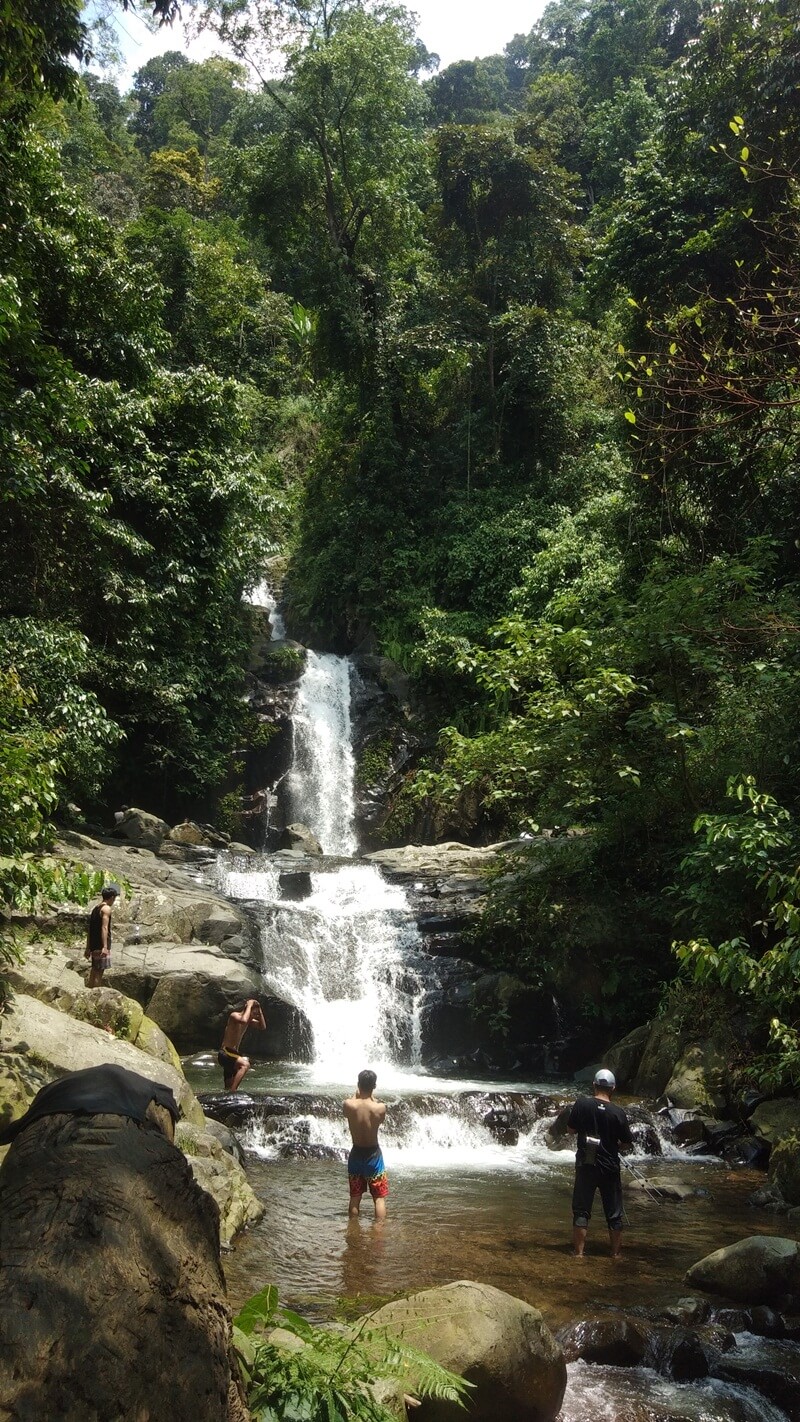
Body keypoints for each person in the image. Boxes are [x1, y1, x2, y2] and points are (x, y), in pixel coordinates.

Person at [568, 1067, 633, 1259]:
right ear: (613, 1088)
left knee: (581, 1210)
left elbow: (571, 1129)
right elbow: (627, 1142)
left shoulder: (581, 1104)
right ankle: (615, 1254)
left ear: (594, 1085)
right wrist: (615, 1147)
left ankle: (578, 1253)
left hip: (586, 1164)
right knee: (614, 1213)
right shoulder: (618, 1112)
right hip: (610, 1166)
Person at [343, 1069, 388, 1221]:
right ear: (374, 1086)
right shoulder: (380, 1108)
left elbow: (350, 1105)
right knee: (379, 1198)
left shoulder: (348, 1105)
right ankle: (379, 1232)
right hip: (373, 1155)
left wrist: (356, 1095)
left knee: (355, 1197)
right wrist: (371, 1096)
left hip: (356, 1154)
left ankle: (353, 1228)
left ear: (358, 1084)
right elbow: (377, 1113)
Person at [218, 999, 267, 1091]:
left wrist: (260, 1011)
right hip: (226, 1052)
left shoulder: (248, 1021)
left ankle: (228, 1094)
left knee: (228, 1086)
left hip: (234, 1055)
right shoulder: (234, 1016)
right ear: (247, 1010)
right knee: (245, 1065)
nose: (255, 1016)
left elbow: (262, 1026)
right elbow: (243, 1020)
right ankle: (233, 1091)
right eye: (254, 1013)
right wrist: (249, 1005)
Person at [84, 885, 119, 988]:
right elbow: (104, 928)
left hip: (94, 945)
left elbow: (90, 929)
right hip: (101, 945)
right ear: (112, 897)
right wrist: (104, 946)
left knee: (94, 970)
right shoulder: (106, 909)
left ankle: (89, 991)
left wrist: (88, 947)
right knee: (99, 972)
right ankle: (95, 993)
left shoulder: (95, 908)